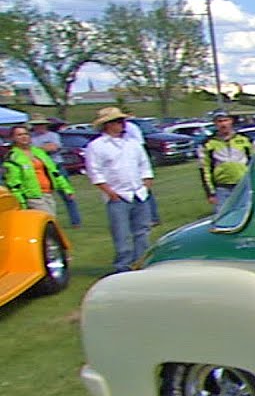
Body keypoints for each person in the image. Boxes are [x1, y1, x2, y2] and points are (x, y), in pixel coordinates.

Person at [82, 106, 154, 275]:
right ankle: (123, 265)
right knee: (122, 233)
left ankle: (142, 261)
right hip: (118, 196)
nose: (122, 124)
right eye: (118, 121)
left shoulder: (132, 143)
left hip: (139, 193)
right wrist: (110, 192)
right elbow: (95, 172)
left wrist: (146, 184)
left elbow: (144, 165)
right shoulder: (96, 146)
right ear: (107, 125)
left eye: (122, 121)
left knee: (142, 230)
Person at [2, 124, 76, 216]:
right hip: (32, 197)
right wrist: (21, 202)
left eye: (26, 134)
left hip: (47, 193)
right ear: (12, 138)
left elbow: (54, 172)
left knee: (51, 220)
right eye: (19, 135)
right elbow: (13, 183)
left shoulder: (38, 152)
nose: (24, 137)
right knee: (48, 218)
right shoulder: (13, 157)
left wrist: (67, 189)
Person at [28, 115, 82, 227]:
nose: (39, 127)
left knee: (67, 194)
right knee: (43, 196)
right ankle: (45, 221)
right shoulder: (30, 138)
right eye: (36, 125)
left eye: (41, 124)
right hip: (41, 169)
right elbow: (30, 152)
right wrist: (44, 148)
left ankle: (75, 221)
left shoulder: (53, 135)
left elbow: (54, 148)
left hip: (57, 167)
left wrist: (38, 150)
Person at [200, 111, 255, 209]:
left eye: (226, 120)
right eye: (220, 121)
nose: (223, 124)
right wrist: (210, 193)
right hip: (222, 188)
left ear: (231, 121)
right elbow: (205, 169)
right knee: (224, 214)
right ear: (215, 123)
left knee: (245, 212)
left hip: (244, 185)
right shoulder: (208, 144)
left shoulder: (246, 139)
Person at [120, 112, 162, 226]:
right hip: (128, 162)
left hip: (135, 161)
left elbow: (140, 145)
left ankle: (152, 217)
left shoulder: (130, 128)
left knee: (144, 191)